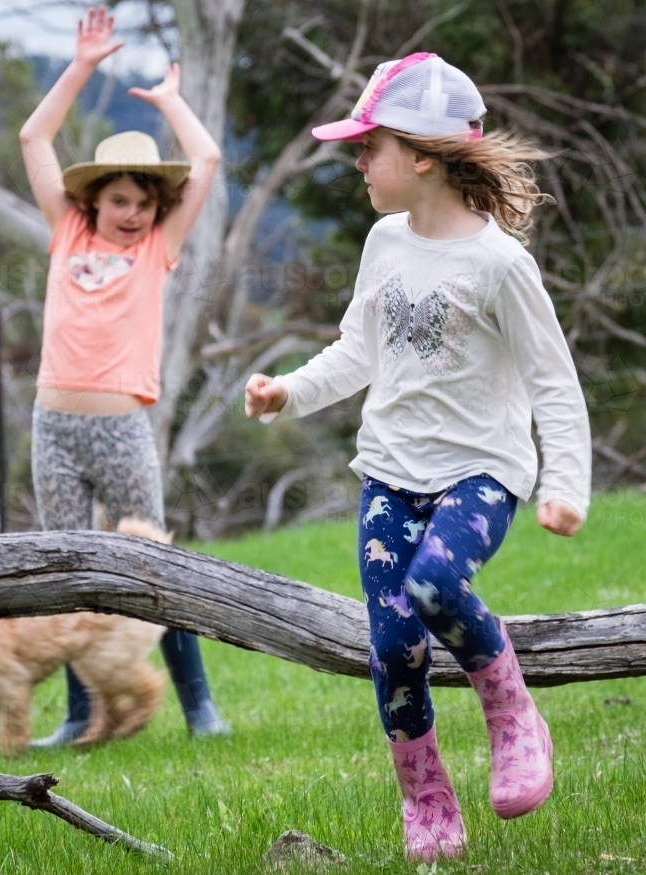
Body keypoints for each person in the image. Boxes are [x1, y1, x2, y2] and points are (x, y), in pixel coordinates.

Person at [244, 53, 591, 860]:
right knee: (394, 644)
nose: (359, 161)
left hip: (480, 472)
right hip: (388, 476)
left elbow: (555, 384)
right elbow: (358, 351)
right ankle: (427, 797)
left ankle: (512, 713)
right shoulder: (383, 240)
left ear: (425, 155)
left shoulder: (500, 264)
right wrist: (286, 393)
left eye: (371, 146)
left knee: (437, 584)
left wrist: (566, 484)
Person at [18, 6, 229, 745]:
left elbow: (204, 162)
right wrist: (82, 67)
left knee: (150, 563)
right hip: (54, 425)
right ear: (93, 200)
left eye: (143, 203)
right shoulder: (66, 230)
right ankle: (82, 715)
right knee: (70, 571)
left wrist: (171, 101)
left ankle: (199, 705)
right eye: (120, 201)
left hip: (120, 426)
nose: (133, 213)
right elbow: (32, 137)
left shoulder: (156, 250)